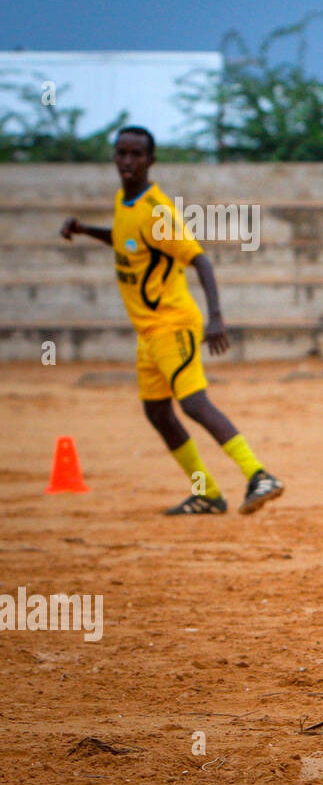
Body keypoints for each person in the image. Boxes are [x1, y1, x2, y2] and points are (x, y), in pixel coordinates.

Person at [59, 126, 285, 515]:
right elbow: (126, 239)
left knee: (194, 404)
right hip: (148, 332)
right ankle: (208, 493)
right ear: (115, 157)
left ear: (151, 161)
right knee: (158, 413)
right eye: (122, 153)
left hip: (173, 324)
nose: (128, 161)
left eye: (136, 155)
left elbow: (200, 258)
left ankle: (259, 474)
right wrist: (85, 231)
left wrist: (216, 317)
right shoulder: (125, 201)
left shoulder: (157, 210)